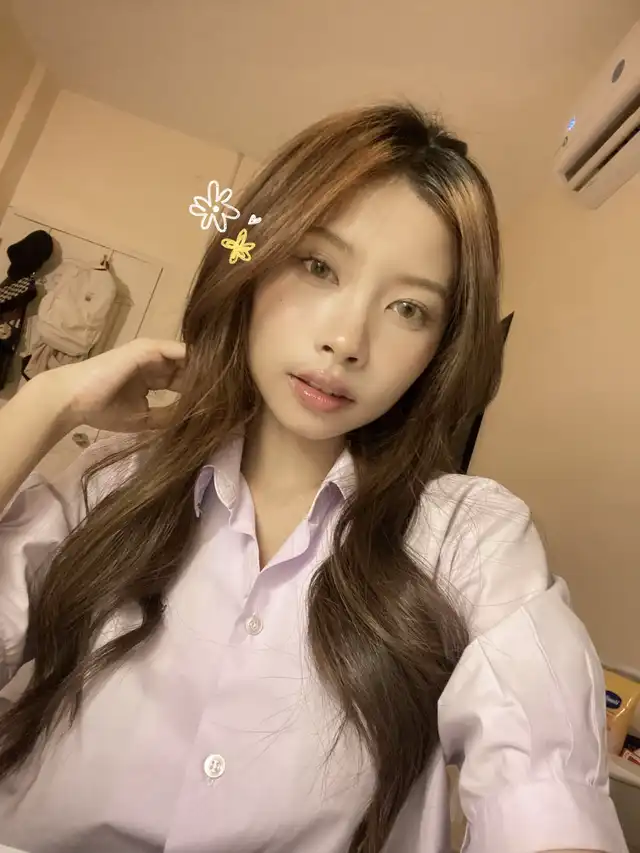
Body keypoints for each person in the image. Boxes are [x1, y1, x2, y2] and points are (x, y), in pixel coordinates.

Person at [0, 104, 626, 853]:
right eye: (319, 266)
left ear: (440, 348)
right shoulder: (107, 484)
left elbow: (544, 782)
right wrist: (47, 402)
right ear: (254, 263)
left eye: (408, 308)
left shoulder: (467, 538)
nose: (346, 340)